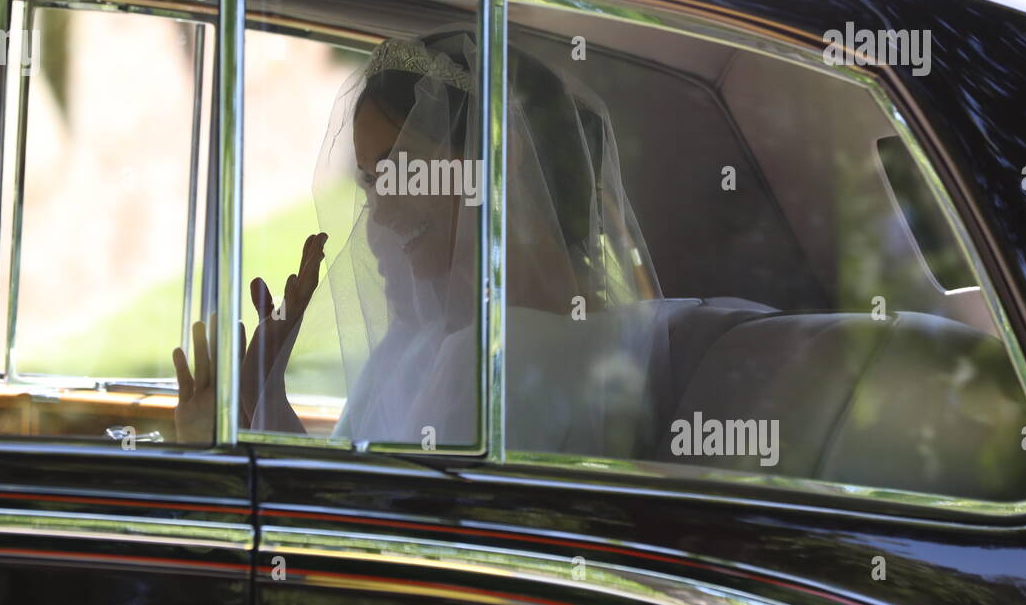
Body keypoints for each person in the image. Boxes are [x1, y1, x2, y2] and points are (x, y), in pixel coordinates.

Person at [174, 27, 669, 454]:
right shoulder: (426, 340)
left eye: (395, 170)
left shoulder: (495, 358)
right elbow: (355, 513)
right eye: (369, 181)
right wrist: (263, 399)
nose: (380, 214)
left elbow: (366, 549)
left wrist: (210, 458)